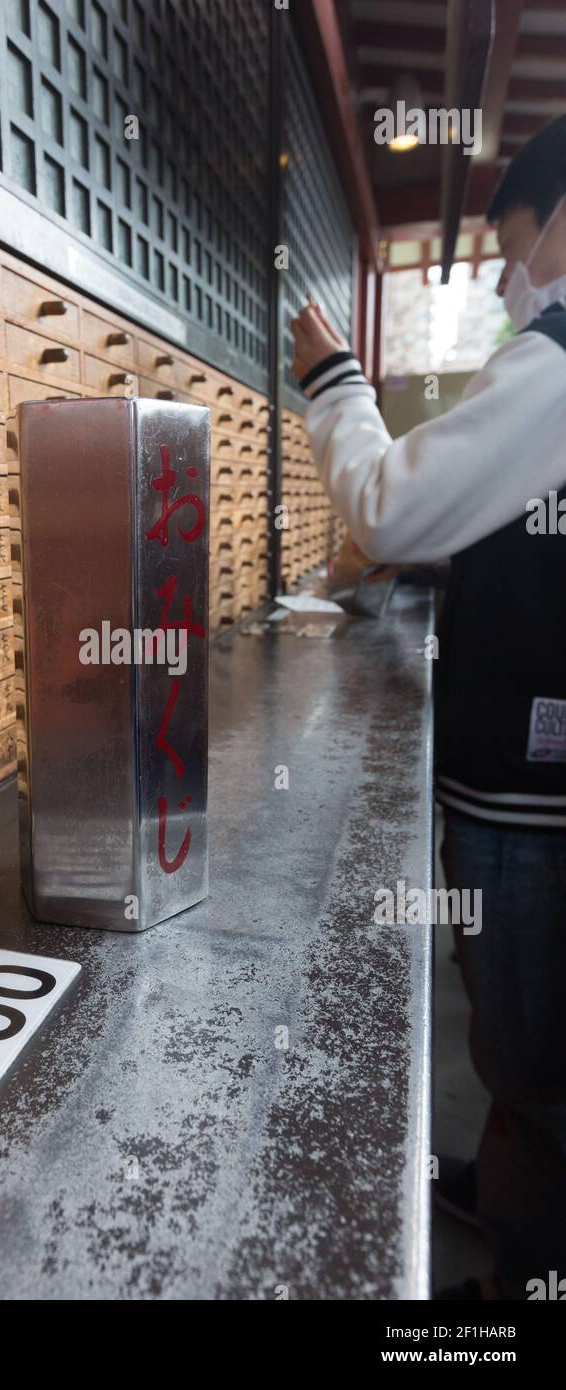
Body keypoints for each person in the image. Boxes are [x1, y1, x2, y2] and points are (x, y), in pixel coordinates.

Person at [290, 116, 566, 1301]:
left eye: (514, 242)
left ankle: (520, 1277)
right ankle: (502, 1203)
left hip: (527, 812)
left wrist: (330, 381)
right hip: (531, 787)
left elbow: (387, 511)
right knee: (526, 1059)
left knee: (528, 1058)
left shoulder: (556, 361)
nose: (510, 275)